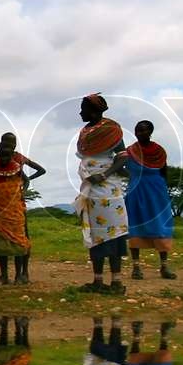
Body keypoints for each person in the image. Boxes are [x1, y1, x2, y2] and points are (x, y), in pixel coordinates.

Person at [74, 94, 130, 293]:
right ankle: (98, 281)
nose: (80, 112)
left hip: (108, 188)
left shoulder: (110, 130)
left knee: (113, 234)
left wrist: (104, 174)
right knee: (94, 232)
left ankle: (116, 282)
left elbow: (123, 157)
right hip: (90, 187)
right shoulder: (85, 131)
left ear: (94, 110)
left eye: (83, 108)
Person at [0, 132, 46, 285]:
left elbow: (32, 176)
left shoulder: (17, 161)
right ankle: (6, 275)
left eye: (12, 143)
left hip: (16, 207)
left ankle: (22, 273)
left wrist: (19, 188)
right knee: (3, 242)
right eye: (7, 142)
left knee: (21, 240)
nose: (10, 146)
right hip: (0, 209)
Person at [125, 120, 177, 280]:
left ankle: (164, 266)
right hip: (136, 191)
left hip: (157, 191)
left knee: (161, 225)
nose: (140, 133)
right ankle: (136, 267)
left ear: (150, 132)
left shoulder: (159, 151)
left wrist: (164, 192)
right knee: (135, 225)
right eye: (137, 130)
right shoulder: (130, 151)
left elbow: (164, 171)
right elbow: (121, 167)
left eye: (143, 130)